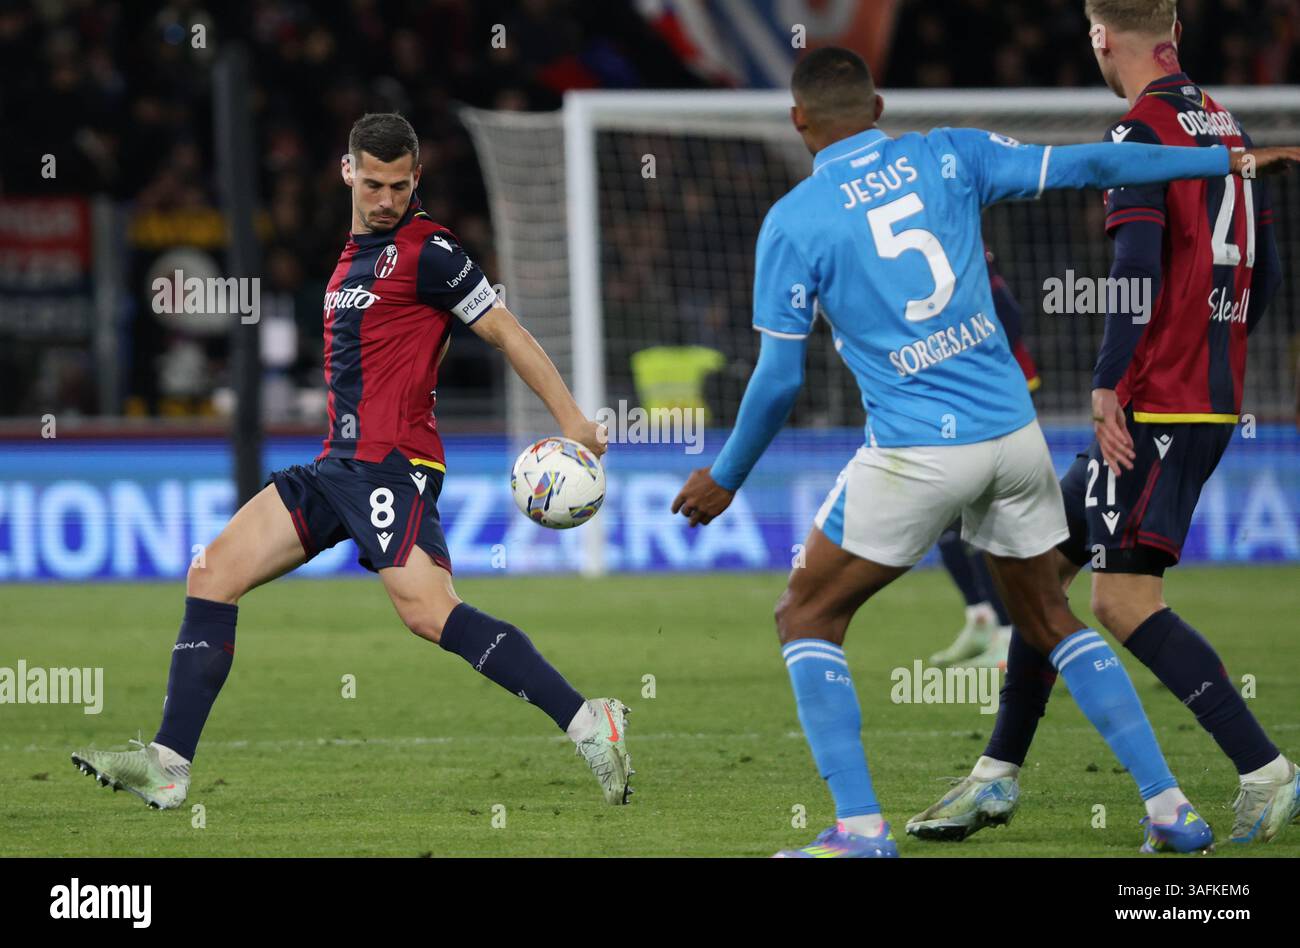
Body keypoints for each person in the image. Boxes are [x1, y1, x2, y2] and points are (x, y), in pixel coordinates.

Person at [670, 46, 1298, 857]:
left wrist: (725, 476)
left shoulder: (793, 221)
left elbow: (778, 380)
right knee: (1049, 615)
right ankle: (1169, 808)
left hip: (916, 452)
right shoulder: (952, 153)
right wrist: (1228, 156)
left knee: (808, 615)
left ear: (799, 121)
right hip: (1014, 435)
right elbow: (1098, 160)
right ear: (881, 107)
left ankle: (860, 831)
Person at [72, 113, 633, 810]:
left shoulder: (432, 250)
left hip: (393, 465)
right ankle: (167, 763)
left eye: (399, 185)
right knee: (212, 573)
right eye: (373, 183)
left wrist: (572, 420)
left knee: (429, 614)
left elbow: (505, 331)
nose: (386, 198)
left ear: (416, 178)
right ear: (348, 173)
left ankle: (589, 721)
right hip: (337, 465)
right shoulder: (351, 255)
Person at [908, 0, 1298, 847]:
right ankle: (995, 777)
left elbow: (1134, 263)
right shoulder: (1229, 131)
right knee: (1038, 575)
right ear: (1174, 32)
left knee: (1120, 602)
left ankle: (1266, 771)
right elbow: (1264, 275)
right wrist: (1215, 347)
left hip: (1155, 401)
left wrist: (1109, 386)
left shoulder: (1138, 134)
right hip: (1202, 390)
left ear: (1098, 36)